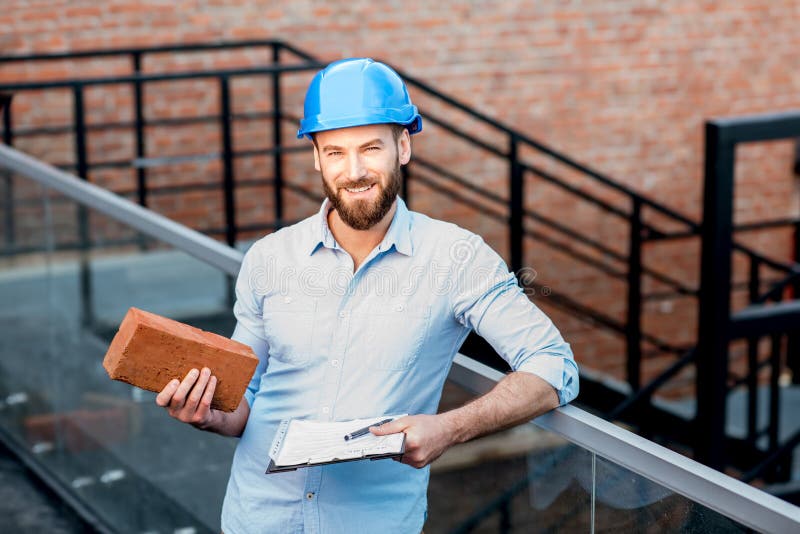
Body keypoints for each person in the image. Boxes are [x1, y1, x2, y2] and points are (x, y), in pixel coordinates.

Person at [156, 58, 579, 534]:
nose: (353, 171)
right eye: (335, 152)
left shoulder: (457, 258)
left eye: (370, 148)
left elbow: (553, 366)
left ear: (403, 146)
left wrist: (449, 428)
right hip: (255, 519)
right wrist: (210, 414)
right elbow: (246, 399)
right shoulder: (269, 258)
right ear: (316, 157)